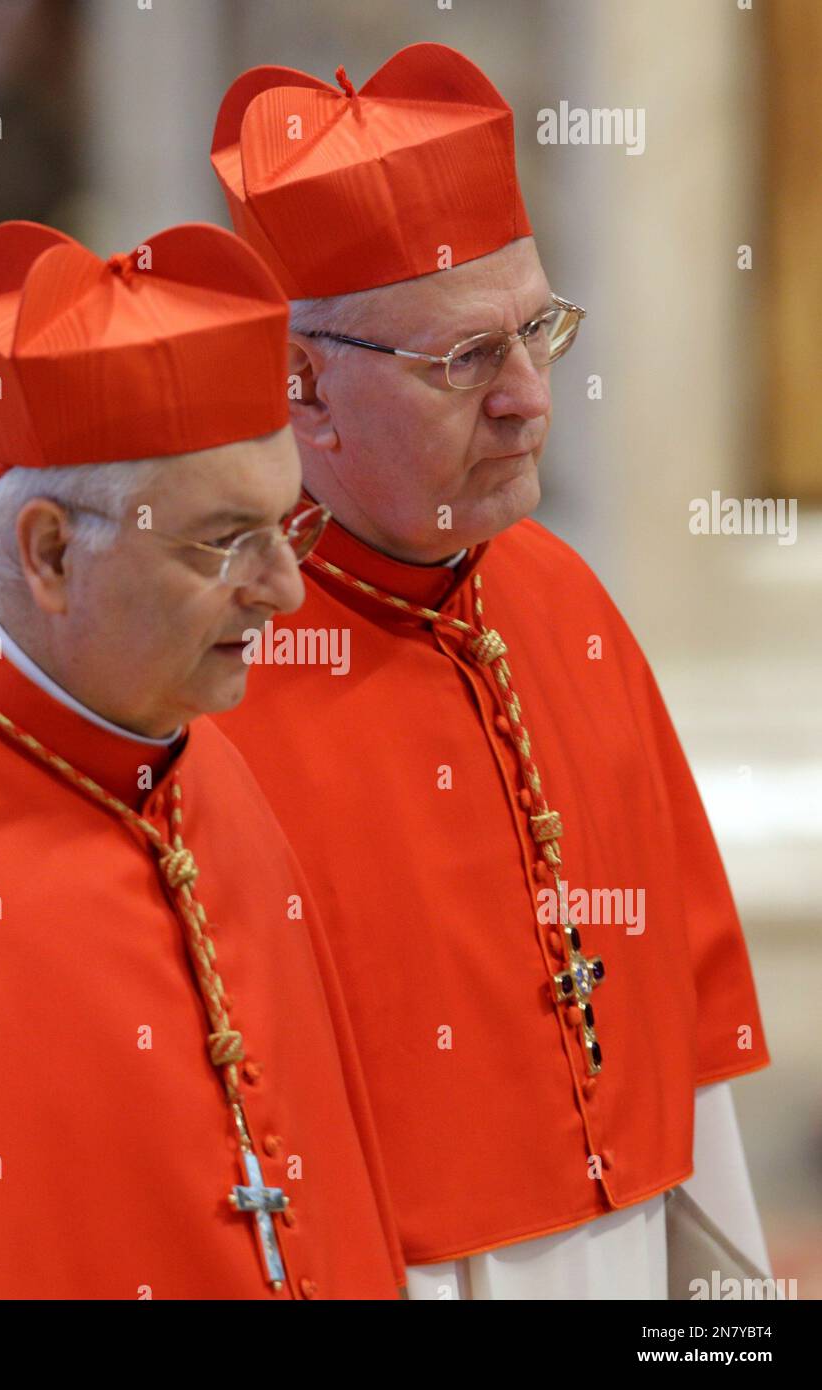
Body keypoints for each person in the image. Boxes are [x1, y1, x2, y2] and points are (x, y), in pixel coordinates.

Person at [209, 43, 773, 1299]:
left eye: (539, 332)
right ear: (303, 384)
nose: (530, 401)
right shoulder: (214, 677)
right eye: (465, 360)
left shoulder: (563, 599)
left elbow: (688, 1068)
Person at [0, 218, 405, 1300]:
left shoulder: (210, 769)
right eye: (225, 541)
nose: (286, 591)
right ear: (52, 552)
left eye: (285, 527)